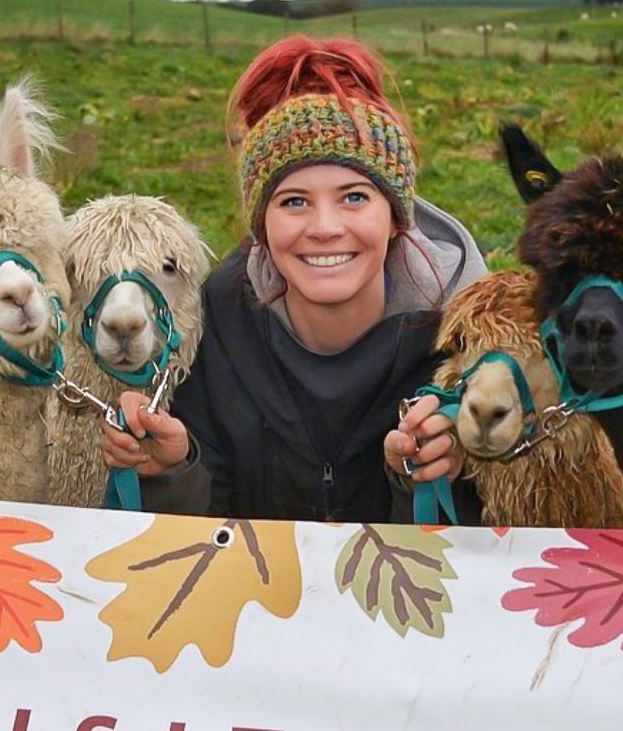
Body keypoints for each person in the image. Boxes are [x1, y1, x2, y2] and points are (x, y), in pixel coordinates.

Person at [98, 35, 488, 523]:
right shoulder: (218, 316)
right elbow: (202, 538)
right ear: (262, 226)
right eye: (294, 201)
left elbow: (494, 541)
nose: (325, 228)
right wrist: (174, 471)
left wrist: (433, 478)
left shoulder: (468, 342)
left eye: (354, 197)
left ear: (397, 216)